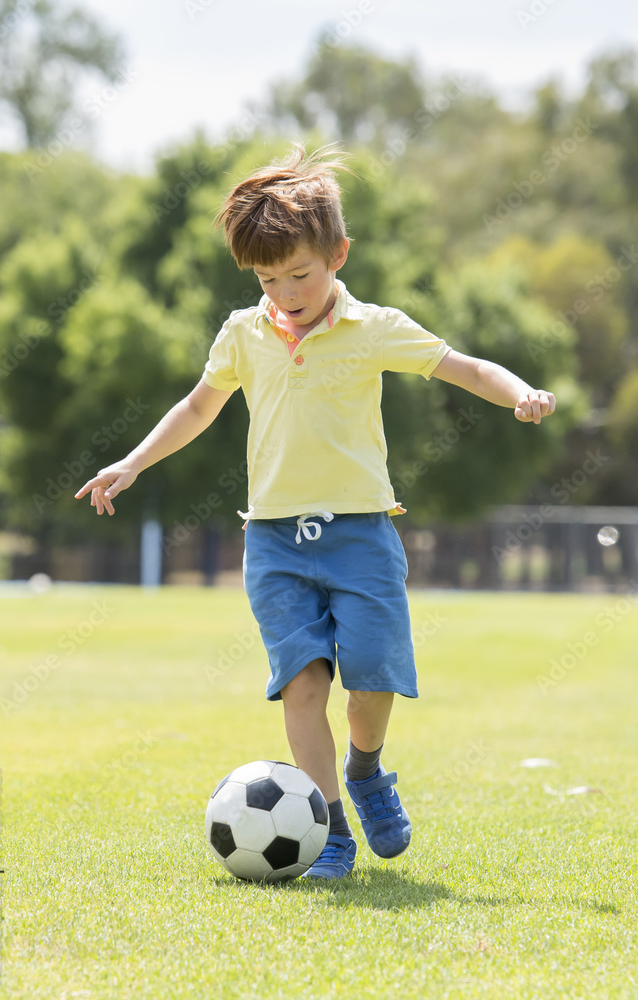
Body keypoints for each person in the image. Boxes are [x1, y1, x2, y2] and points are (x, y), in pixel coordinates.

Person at [74, 143, 555, 879]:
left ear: (337, 254)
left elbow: (464, 366)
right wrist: (132, 460)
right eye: (268, 278)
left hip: (360, 533)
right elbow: (199, 405)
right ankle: (329, 831)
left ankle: (365, 770)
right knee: (301, 683)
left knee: (370, 686)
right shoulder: (243, 332)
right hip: (272, 541)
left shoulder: (375, 328)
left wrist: (519, 391)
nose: (285, 290)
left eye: (298, 273)